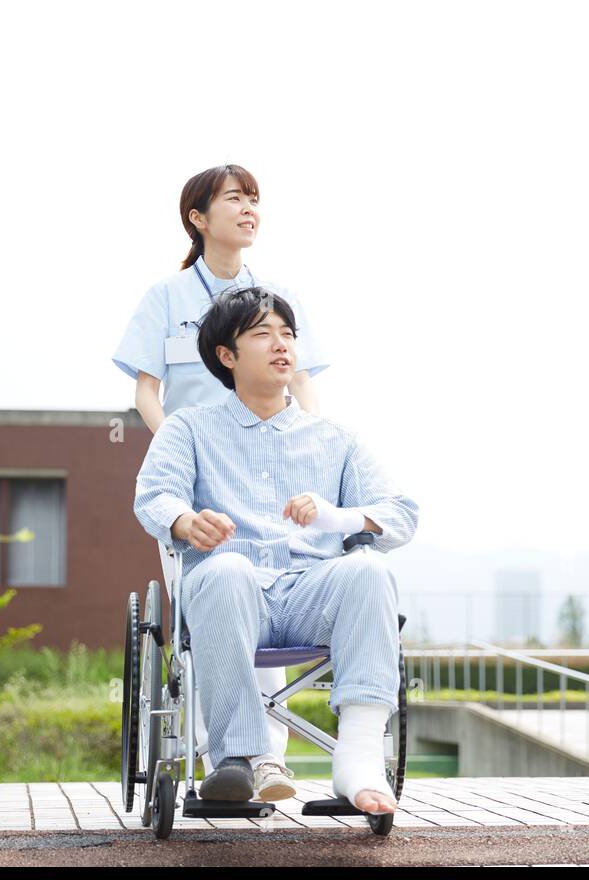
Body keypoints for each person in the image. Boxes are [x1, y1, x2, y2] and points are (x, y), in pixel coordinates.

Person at [132, 286, 418, 812]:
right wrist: (187, 521)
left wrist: (339, 518)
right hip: (231, 595)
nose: (281, 343)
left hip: (310, 594)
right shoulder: (188, 428)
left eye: (287, 333)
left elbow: (402, 513)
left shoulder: (337, 439)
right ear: (226, 355)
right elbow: (153, 495)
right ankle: (242, 760)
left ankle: (357, 761)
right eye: (263, 333)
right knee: (226, 569)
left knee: (369, 570)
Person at [113, 164, 329, 802]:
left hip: (275, 473)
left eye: (255, 199)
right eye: (234, 198)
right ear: (198, 218)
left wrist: (312, 453)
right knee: (216, 603)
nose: (249, 209)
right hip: (197, 481)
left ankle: (266, 764)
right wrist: (179, 460)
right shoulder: (167, 297)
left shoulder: (277, 296)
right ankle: (224, 759)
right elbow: (145, 391)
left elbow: (305, 381)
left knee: (271, 597)